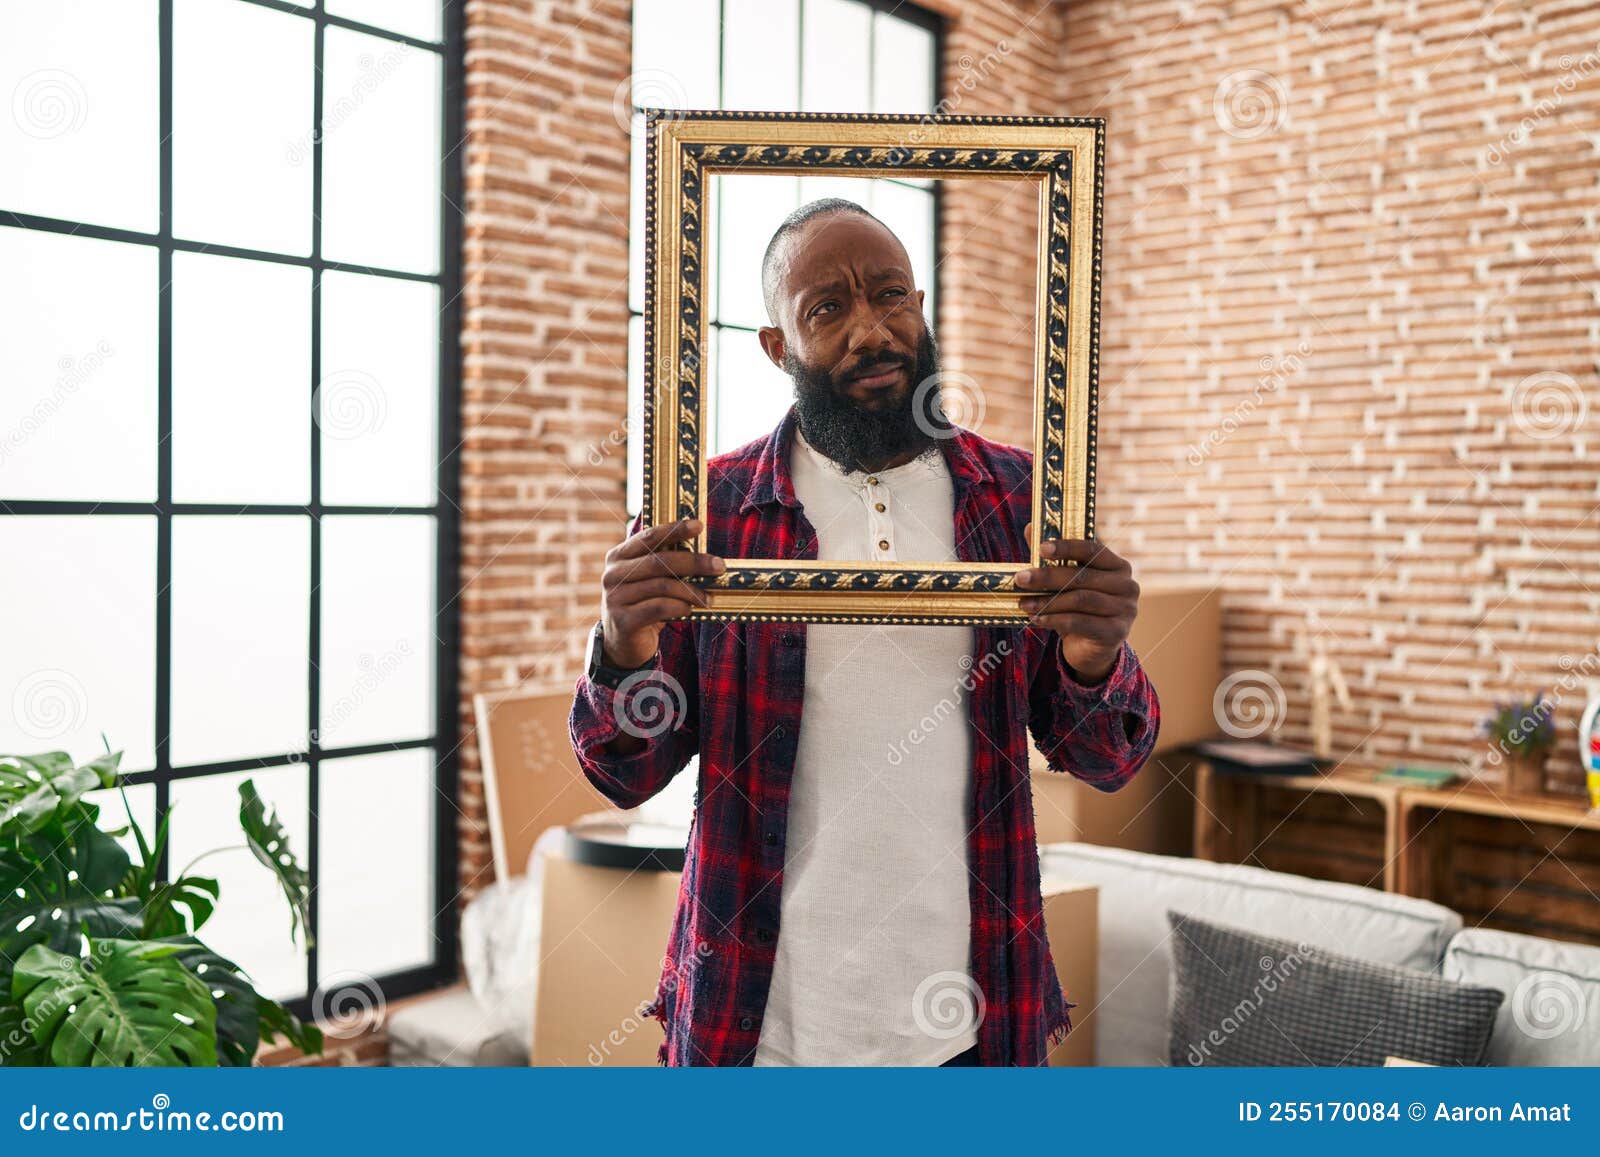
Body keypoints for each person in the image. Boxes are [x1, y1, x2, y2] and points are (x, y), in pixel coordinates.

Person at [569, 197, 1161, 1066]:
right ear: (778, 347)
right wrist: (623, 645)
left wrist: (1095, 655)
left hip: (971, 1028)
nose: (871, 332)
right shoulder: (708, 515)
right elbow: (625, 771)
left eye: (890, 297)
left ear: (920, 306)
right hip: (757, 1027)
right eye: (826, 310)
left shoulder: (1021, 498)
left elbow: (1110, 759)